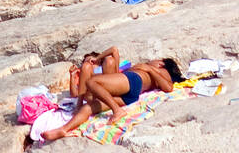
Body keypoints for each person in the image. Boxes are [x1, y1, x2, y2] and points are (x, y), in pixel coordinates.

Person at [42, 56, 183, 138]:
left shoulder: (160, 70)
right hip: (130, 94)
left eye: (154, 61)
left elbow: (168, 87)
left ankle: (117, 111)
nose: (150, 61)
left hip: (133, 80)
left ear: (161, 63)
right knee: (88, 107)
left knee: (92, 82)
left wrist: (149, 68)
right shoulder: (151, 69)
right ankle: (64, 129)